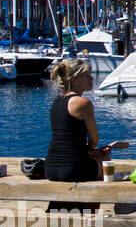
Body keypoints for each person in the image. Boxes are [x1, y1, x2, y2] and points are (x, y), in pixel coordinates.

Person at [45, 58, 119, 212]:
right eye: (87, 75)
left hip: (51, 167)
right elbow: (94, 139)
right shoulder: (83, 103)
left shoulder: (56, 102)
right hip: (73, 167)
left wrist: (89, 151)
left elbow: (67, 139)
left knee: (95, 161)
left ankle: (61, 208)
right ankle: (89, 213)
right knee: (105, 162)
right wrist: (94, 150)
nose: (92, 78)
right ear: (74, 80)